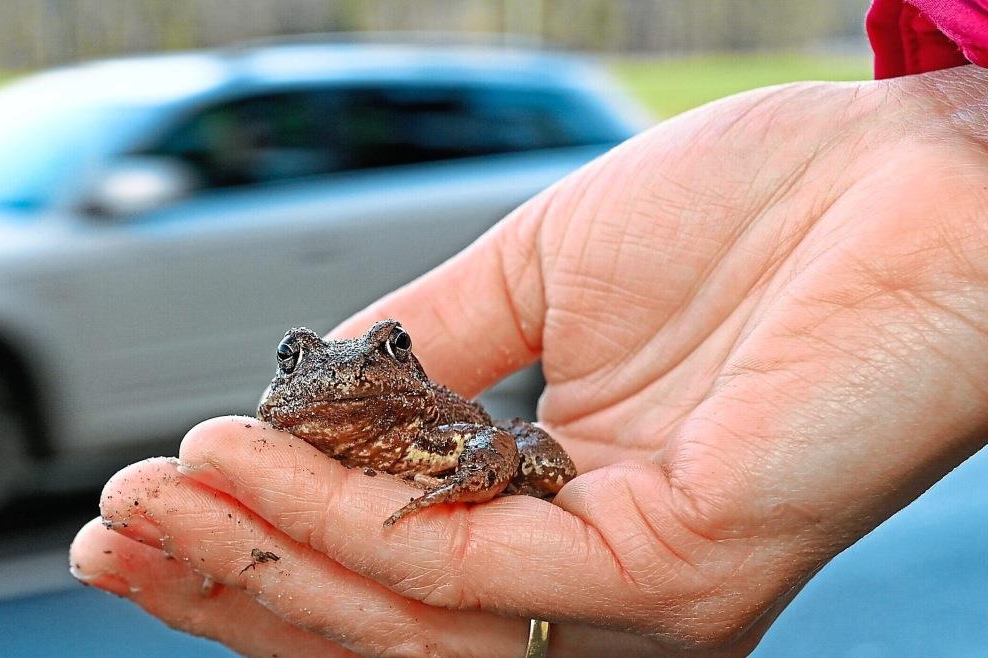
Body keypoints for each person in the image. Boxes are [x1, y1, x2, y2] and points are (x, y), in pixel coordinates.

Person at [70, 4, 988, 656]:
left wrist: (957, 131)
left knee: (530, 447)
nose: (351, 364)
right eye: (298, 359)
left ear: (405, 365)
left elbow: (496, 445)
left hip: (472, 454)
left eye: (388, 349)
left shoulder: (430, 419)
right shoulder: (293, 423)